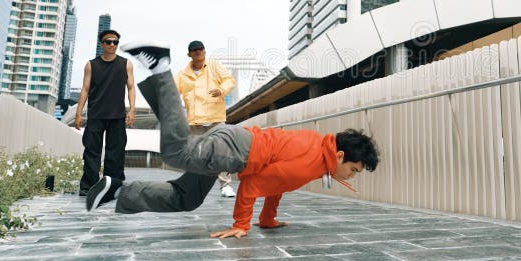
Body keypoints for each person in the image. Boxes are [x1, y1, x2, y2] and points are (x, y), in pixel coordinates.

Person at [86, 41, 380, 239]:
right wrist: (242, 225)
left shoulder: (318, 149)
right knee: (176, 154)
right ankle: (161, 68)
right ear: (340, 156)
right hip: (236, 150)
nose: (350, 175)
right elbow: (254, 186)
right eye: (354, 169)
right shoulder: (314, 162)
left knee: (186, 198)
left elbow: (277, 185)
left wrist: (267, 220)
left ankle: (117, 191)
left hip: (233, 144)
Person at [75, 29, 136, 196]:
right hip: (95, 114)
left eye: (115, 42)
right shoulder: (91, 64)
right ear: (102, 44)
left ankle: (112, 187)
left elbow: (131, 88)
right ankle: (88, 187)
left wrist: (132, 110)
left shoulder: (126, 64)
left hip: (117, 115)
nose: (112, 45)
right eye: (108, 42)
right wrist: (79, 113)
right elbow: (85, 89)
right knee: (91, 152)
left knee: (115, 154)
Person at [174, 40, 237, 197]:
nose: (198, 52)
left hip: (215, 117)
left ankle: (226, 185)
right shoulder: (182, 75)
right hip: (195, 121)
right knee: (195, 155)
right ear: (189, 54)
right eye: (194, 50)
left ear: (205, 51)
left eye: (200, 49)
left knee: (222, 152)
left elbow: (230, 81)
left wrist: (221, 90)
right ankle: (193, 187)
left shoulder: (215, 66)